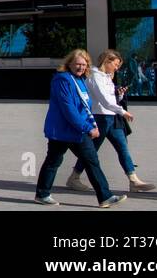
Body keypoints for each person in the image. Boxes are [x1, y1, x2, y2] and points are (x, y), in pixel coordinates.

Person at [34, 49, 126, 207]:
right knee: (53, 161)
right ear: (69, 63)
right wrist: (87, 128)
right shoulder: (62, 80)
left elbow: (85, 107)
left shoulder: (81, 80)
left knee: (91, 160)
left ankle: (105, 197)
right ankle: (42, 194)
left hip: (77, 131)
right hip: (62, 131)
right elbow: (68, 109)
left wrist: (92, 124)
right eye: (77, 64)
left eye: (84, 64)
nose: (81, 67)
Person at [64, 49, 156, 194]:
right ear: (107, 61)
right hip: (99, 118)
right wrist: (123, 112)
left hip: (112, 118)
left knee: (123, 148)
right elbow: (104, 101)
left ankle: (134, 181)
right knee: (90, 152)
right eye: (115, 64)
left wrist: (119, 96)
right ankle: (74, 177)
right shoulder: (95, 77)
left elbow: (111, 100)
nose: (117, 67)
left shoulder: (107, 77)